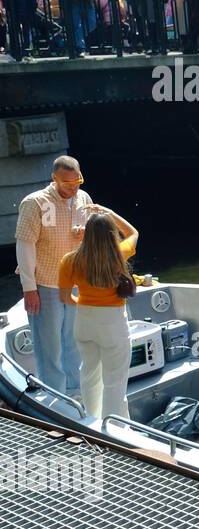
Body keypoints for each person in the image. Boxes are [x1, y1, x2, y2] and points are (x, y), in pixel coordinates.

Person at [15, 156, 95, 396]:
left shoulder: (84, 199)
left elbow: (96, 232)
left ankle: (75, 392)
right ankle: (54, 395)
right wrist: (29, 287)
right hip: (46, 283)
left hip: (76, 283)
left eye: (77, 181)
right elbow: (25, 244)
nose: (73, 188)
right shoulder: (35, 202)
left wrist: (86, 232)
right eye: (67, 183)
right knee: (49, 345)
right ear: (54, 179)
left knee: (74, 342)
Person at [56, 207, 138, 421]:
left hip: (84, 321)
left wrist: (83, 303)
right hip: (113, 323)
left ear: (87, 233)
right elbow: (133, 233)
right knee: (115, 380)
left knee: (89, 374)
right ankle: (114, 429)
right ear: (112, 234)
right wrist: (109, 212)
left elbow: (65, 298)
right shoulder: (120, 254)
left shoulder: (70, 260)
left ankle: (91, 422)